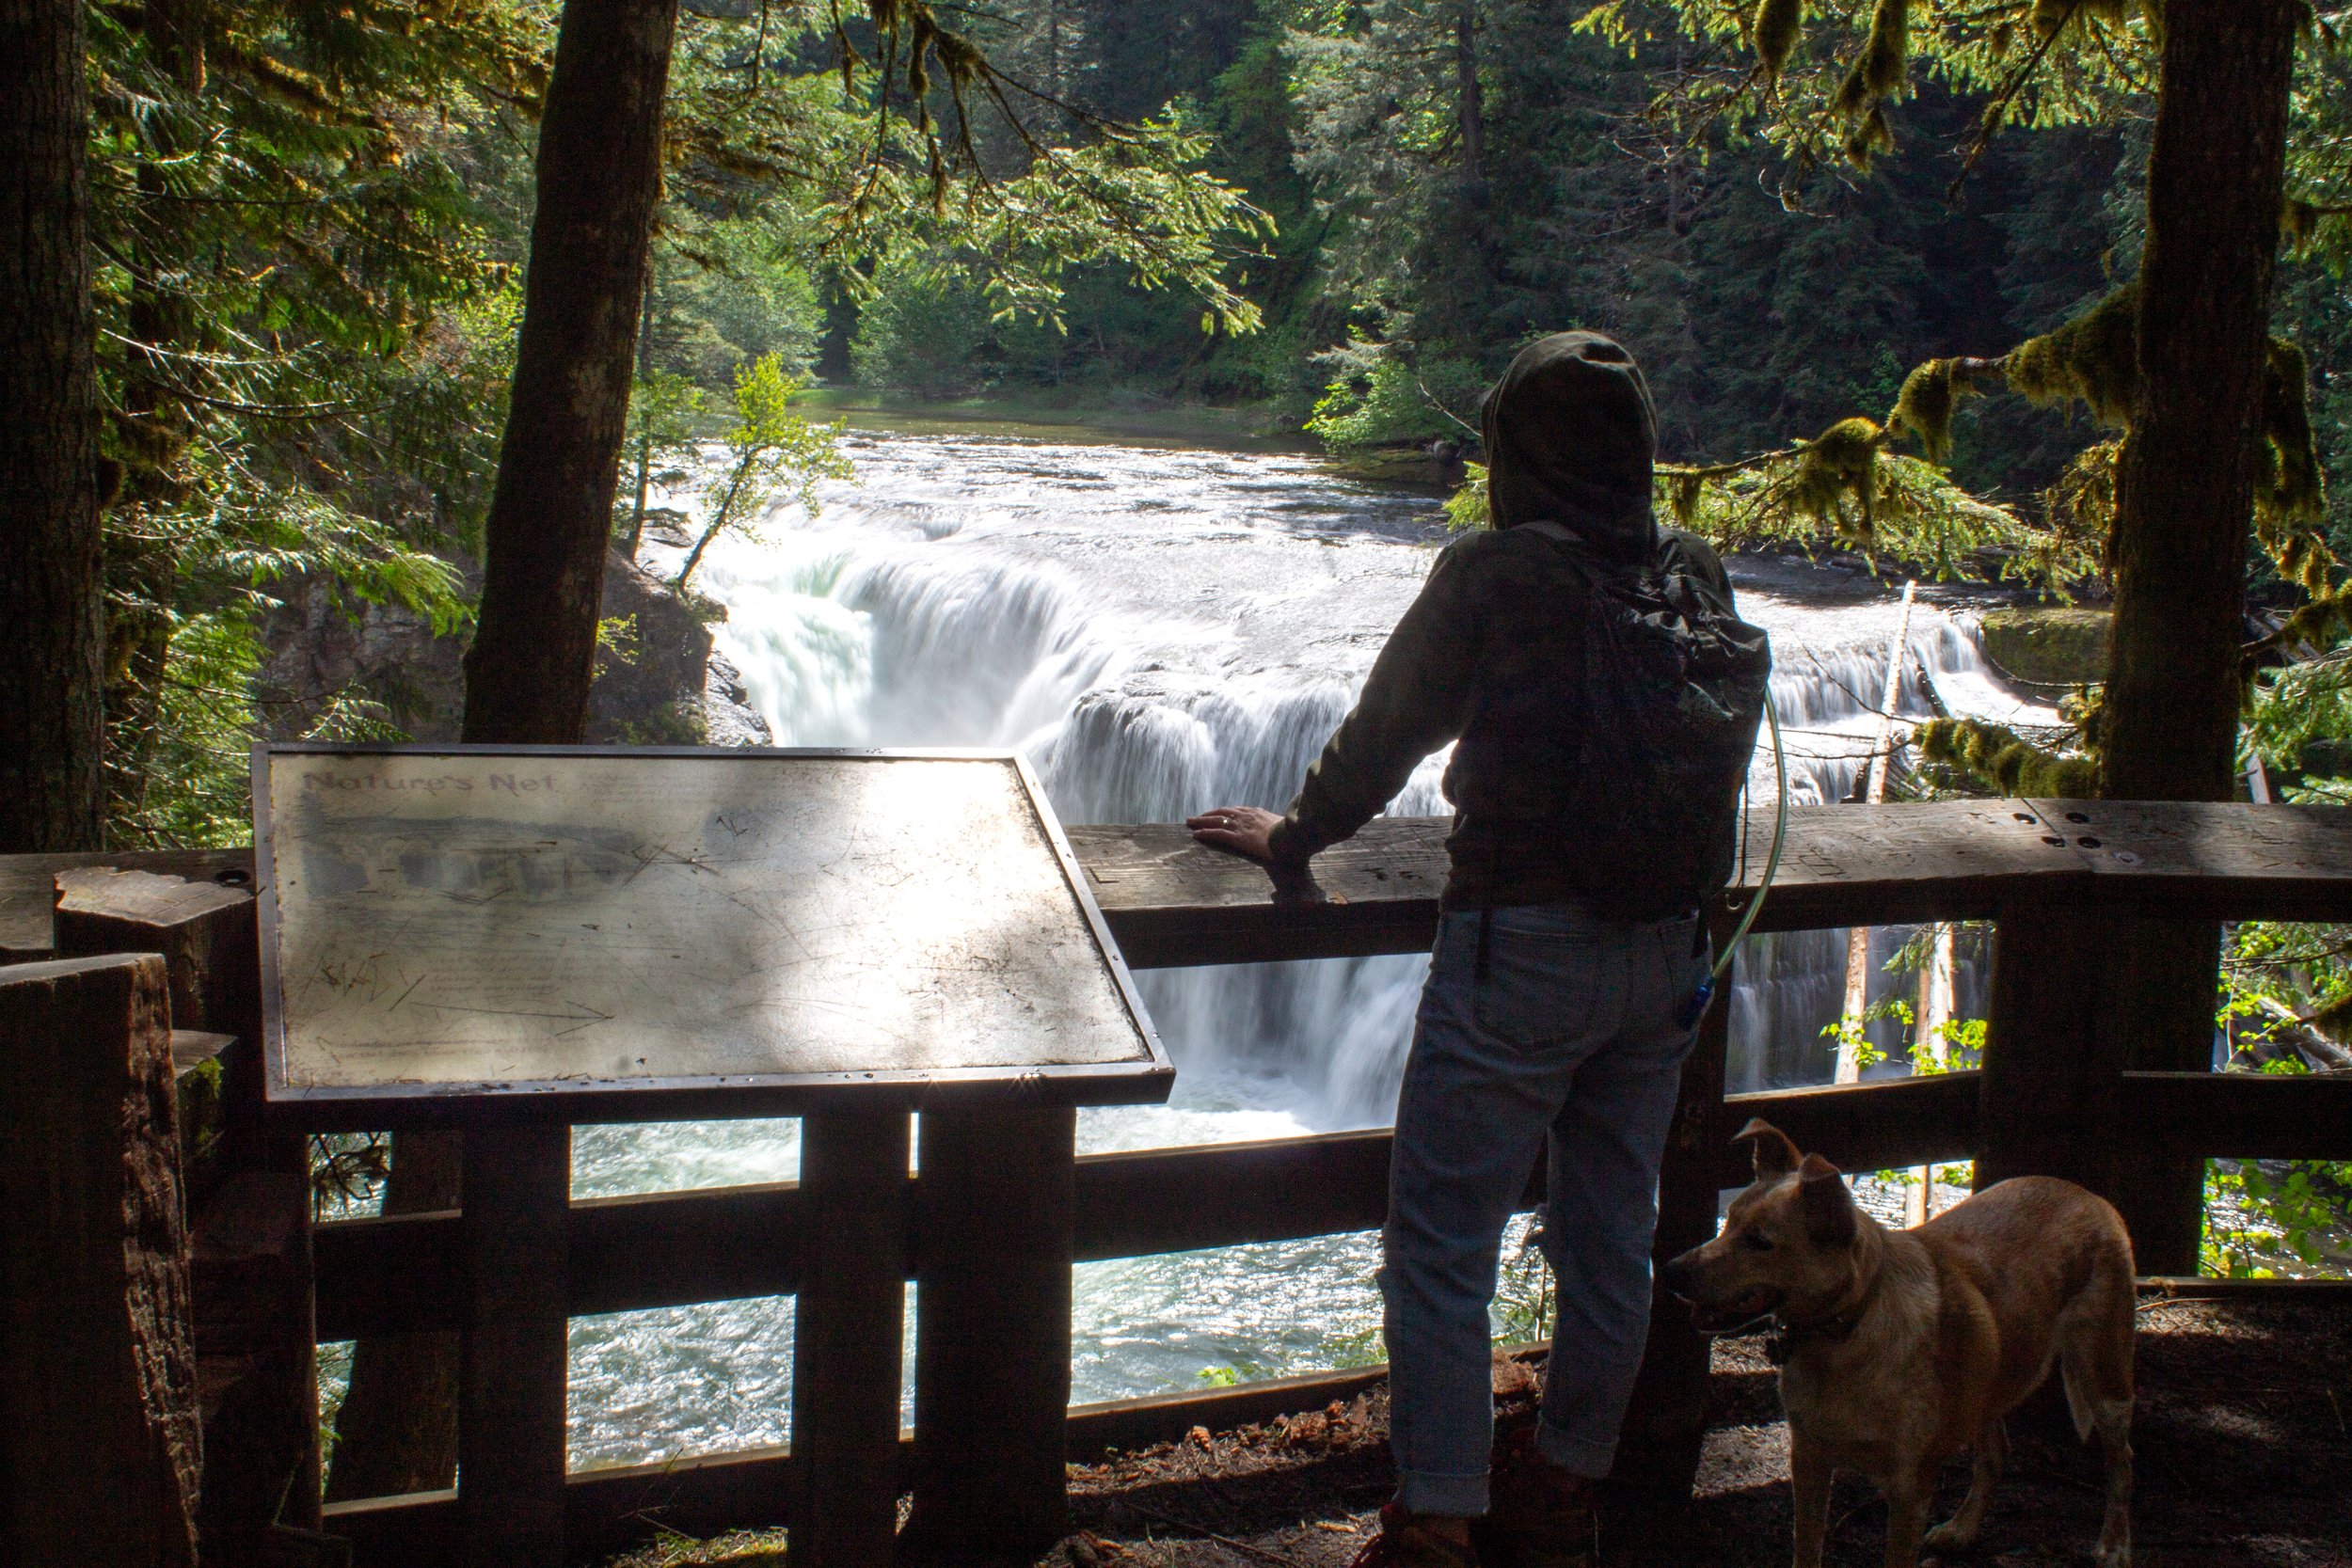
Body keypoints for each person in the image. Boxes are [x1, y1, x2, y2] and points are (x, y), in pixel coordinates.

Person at [1189, 331, 1757, 1568]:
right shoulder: (1694, 571)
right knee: (1612, 1237)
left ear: (1515, 450)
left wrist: (1294, 840)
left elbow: (1385, 734)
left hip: (1523, 949)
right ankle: (1565, 1484)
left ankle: (1441, 1514)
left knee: (1442, 1247)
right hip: (1667, 953)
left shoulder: (1494, 575)